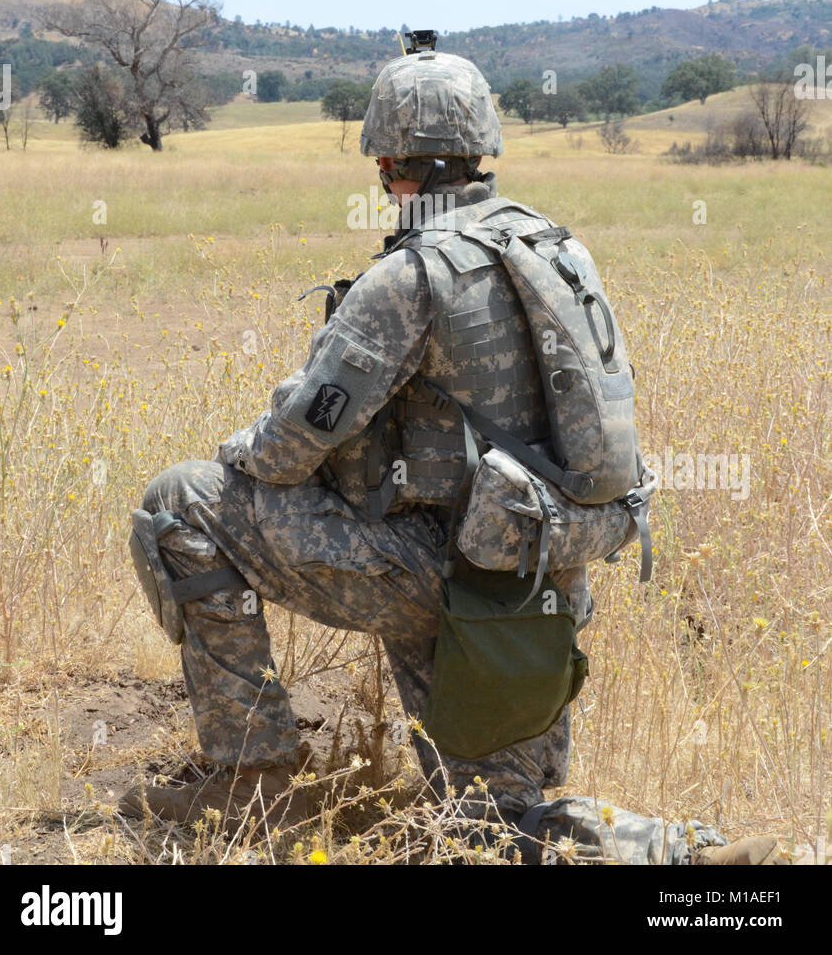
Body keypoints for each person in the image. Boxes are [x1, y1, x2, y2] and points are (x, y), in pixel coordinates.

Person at [121, 47, 786, 867]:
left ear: (385, 161)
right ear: (481, 148)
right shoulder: (555, 249)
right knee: (484, 826)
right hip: (535, 585)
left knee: (179, 502)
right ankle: (678, 856)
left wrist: (240, 448)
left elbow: (289, 448)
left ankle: (248, 780)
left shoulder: (411, 275)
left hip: (422, 576)